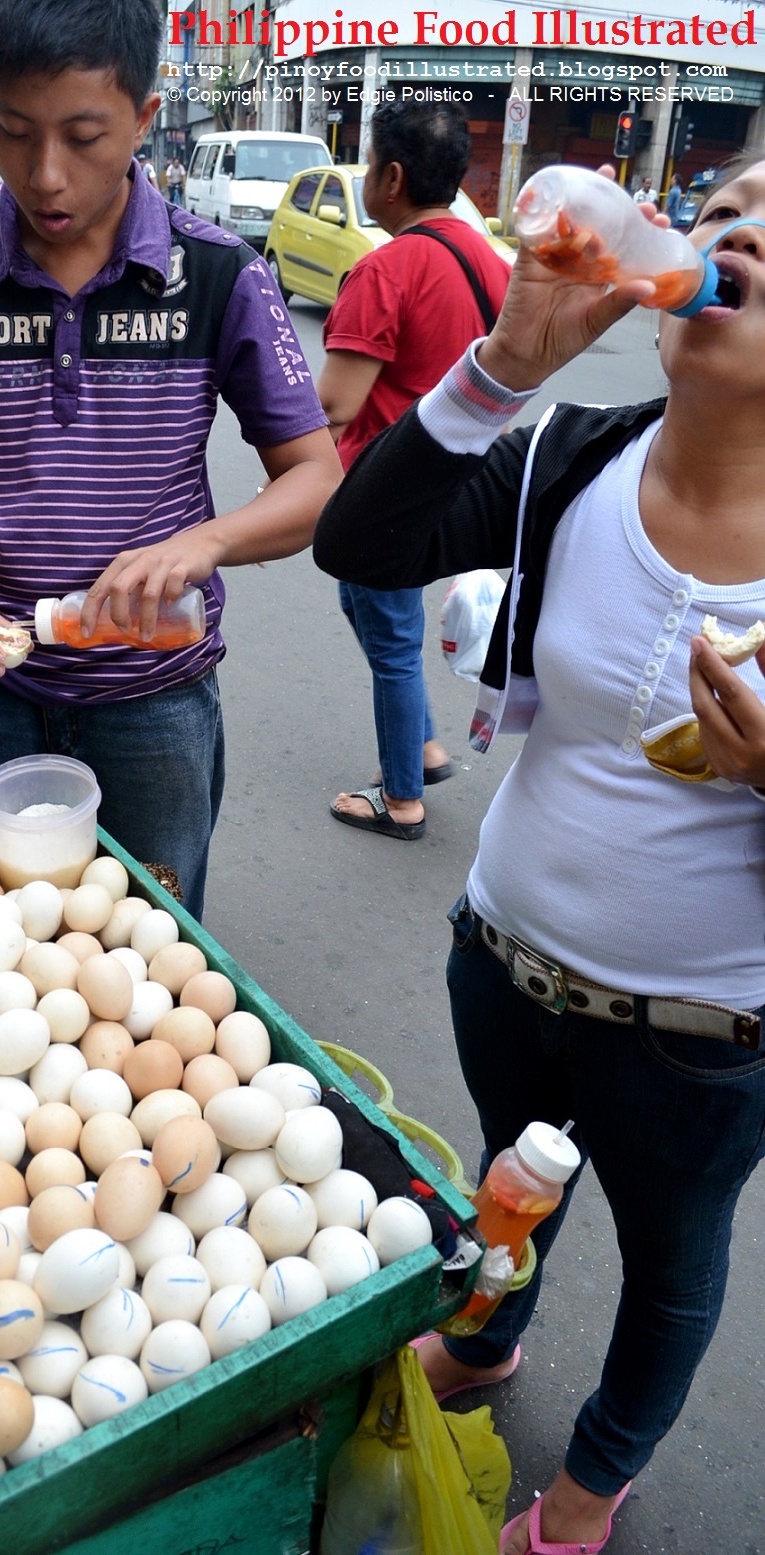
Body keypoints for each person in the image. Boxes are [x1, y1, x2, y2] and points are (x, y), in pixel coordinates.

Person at [314, 154, 765, 1555]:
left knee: (669, 1261)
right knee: (513, 1179)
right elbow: (359, 540)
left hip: (699, 1029)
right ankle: (494, 1333)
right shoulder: (568, 457)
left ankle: (587, 1486)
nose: (739, 237)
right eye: (726, 214)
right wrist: (499, 367)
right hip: (500, 953)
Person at [0, 0, 341, 921]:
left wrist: (206, 542)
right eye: (13, 133)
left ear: (143, 117)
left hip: (155, 703)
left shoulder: (218, 274)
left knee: (155, 954)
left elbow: (315, 480)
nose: (45, 175)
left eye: (84, 136)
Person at [317, 104, 510, 842]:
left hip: (382, 493)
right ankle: (423, 744)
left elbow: (335, 402)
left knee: (391, 638)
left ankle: (401, 797)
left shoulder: (385, 267)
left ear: (390, 178)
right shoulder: (489, 261)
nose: (367, 178)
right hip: (460, 484)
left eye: (368, 165)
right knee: (364, 606)